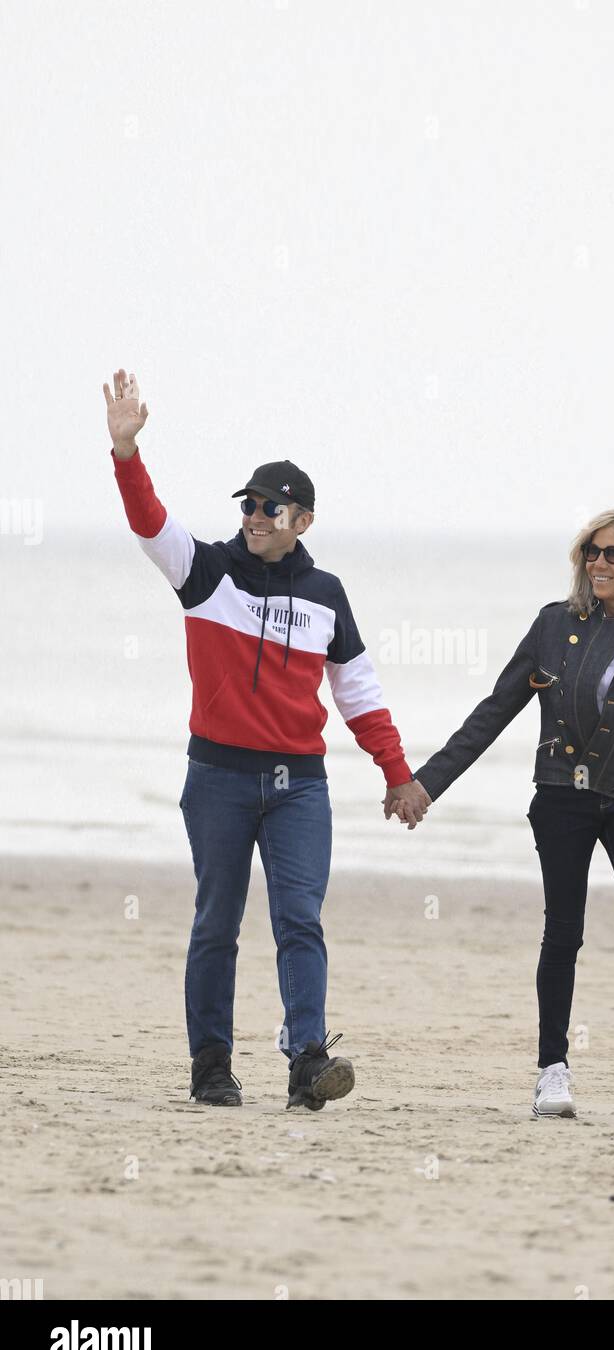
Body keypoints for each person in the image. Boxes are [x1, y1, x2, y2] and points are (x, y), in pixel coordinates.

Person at [103, 367, 430, 1110]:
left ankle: (307, 1061)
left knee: (298, 921)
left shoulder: (325, 596)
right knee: (216, 923)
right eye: (247, 503)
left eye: (268, 506)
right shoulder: (207, 572)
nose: (254, 515)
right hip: (217, 777)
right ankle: (211, 1066)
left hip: (299, 787)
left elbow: (359, 694)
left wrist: (397, 773)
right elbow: (150, 521)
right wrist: (127, 454)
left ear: (302, 519)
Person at [398, 510, 614, 1125]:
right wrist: (426, 784)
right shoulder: (554, 626)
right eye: (591, 553)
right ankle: (553, 1070)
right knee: (563, 932)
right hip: (562, 799)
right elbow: (494, 711)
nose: (599, 564)